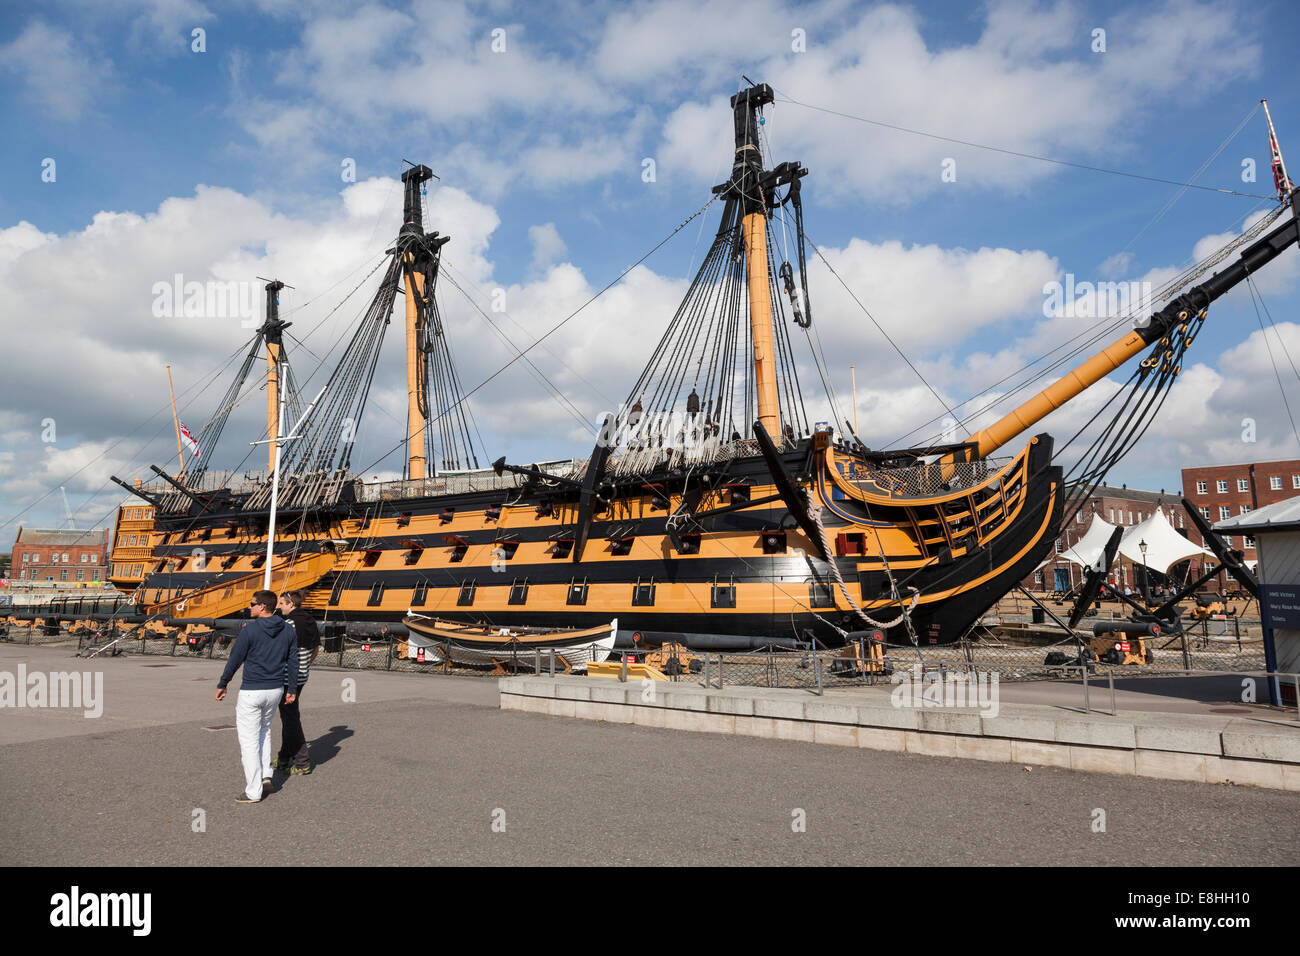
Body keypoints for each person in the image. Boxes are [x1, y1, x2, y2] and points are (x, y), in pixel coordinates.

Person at [215, 590, 298, 804]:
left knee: (249, 741)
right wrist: (292, 689)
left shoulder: (249, 631)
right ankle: (266, 775)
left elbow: (235, 659)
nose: (248, 607)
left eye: (252, 604)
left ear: (262, 606)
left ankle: (253, 791)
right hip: (276, 689)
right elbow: (293, 660)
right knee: (264, 731)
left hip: (252, 690)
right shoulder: (288, 630)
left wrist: (223, 683)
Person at [273, 590, 319, 775]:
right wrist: (306, 664)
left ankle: (302, 762)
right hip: (302, 675)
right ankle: (284, 758)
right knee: (289, 716)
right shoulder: (310, 620)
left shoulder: (289, 624)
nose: (279, 607)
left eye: (282, 604)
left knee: (291, 719)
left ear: (291, 604)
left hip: (288, 676)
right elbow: (316, 648)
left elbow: (281, 651)